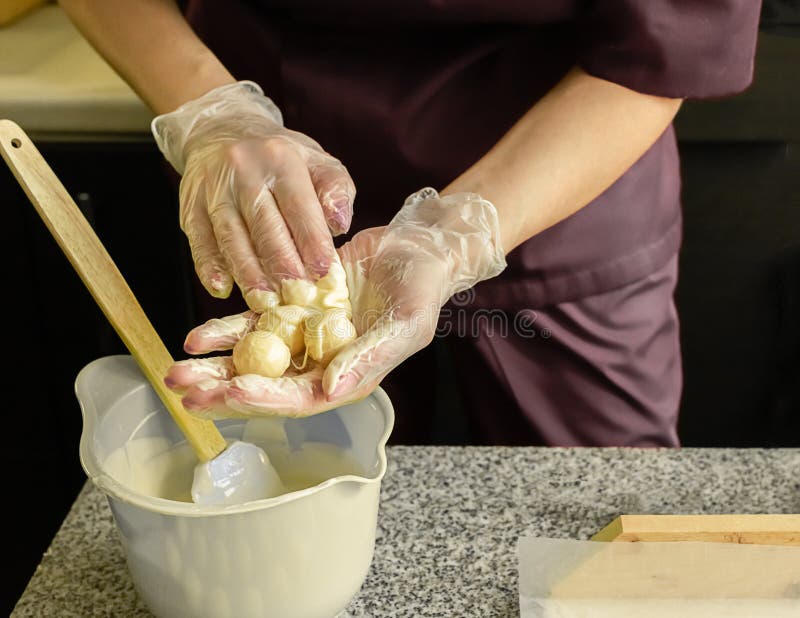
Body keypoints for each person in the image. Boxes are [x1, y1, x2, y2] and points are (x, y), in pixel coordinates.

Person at [59, 0, 762, 446]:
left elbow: (670, 40)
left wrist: (454, 235)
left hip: (564, 161)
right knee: (299, 480)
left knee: (599, 503)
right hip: (275, 182)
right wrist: (210, 113)